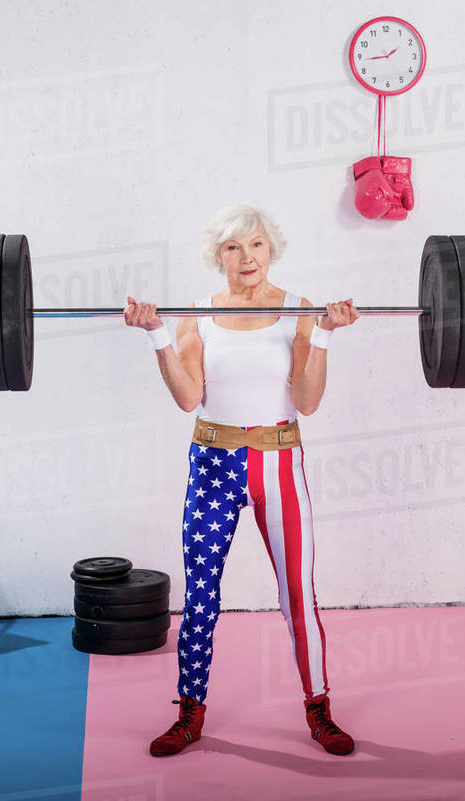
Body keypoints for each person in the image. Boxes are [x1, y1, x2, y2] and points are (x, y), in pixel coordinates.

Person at [123, 204, 360, 757]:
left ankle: (319, 707)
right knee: (201, 594)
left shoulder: (301, 310)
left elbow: (307, 402)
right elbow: (189, 397)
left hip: (278, 463)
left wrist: (325, 334)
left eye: (255, 244)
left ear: (270, 248)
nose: (246, 257)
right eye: (233, 247)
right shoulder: (196, 314)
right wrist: (156, 333)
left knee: (297, 592)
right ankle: (189, 711)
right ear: (219, 255)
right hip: (213, 465)